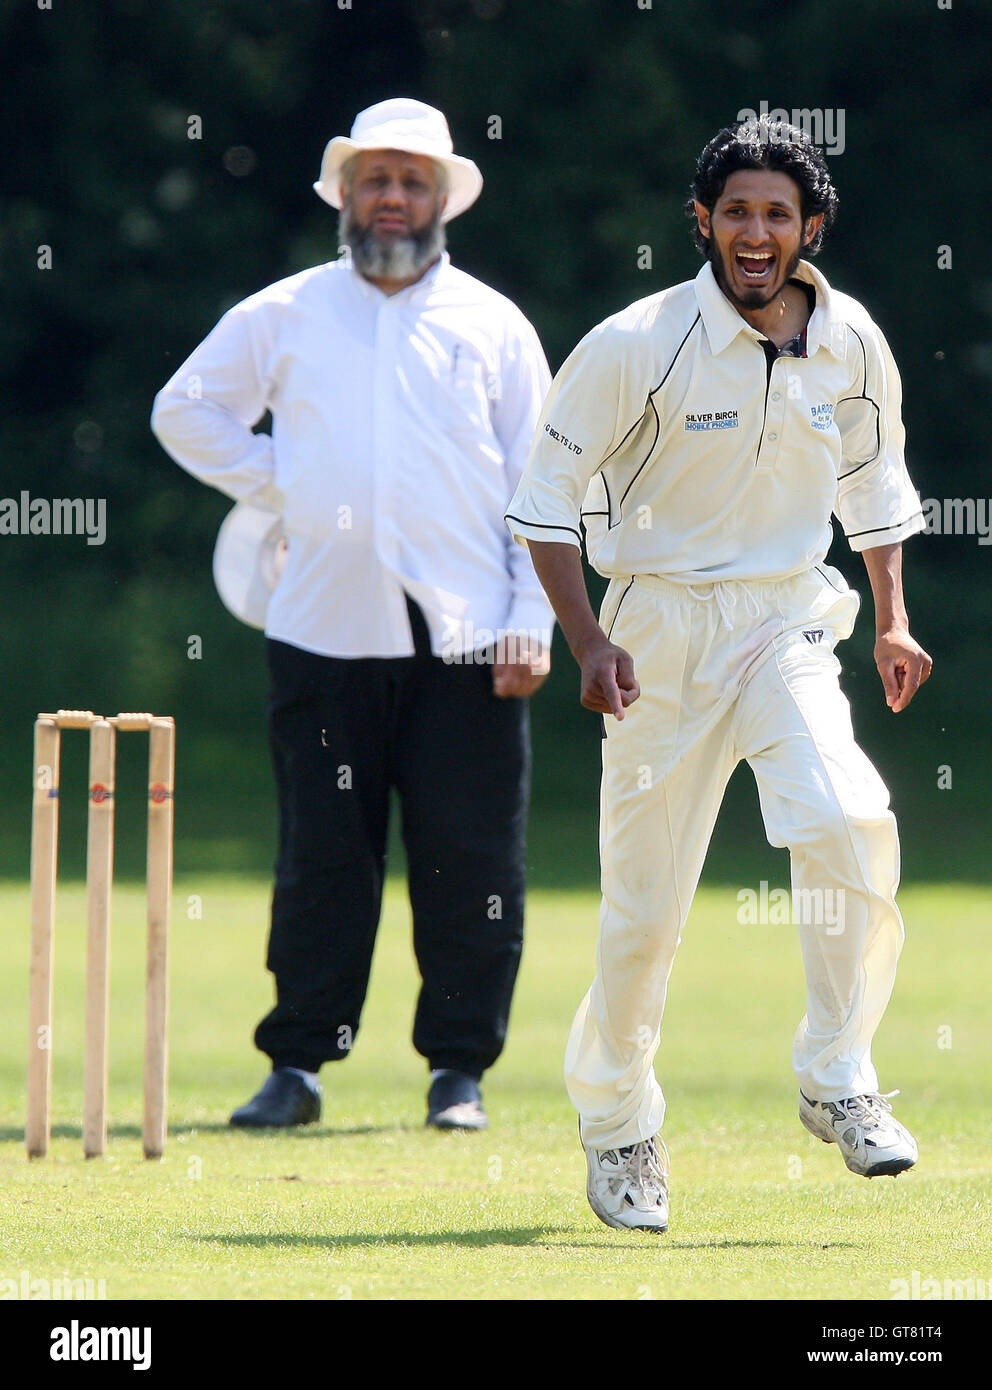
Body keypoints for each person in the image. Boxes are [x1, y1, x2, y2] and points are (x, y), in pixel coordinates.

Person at [505, 117, 931, 1230]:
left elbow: (874, 485)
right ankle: (618, 1128)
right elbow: (543, 504)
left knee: (849, 818)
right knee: (645, 916)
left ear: (809, 228)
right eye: (734, 210)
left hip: (787, 618)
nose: (754, 231)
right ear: (700, 221)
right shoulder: (635, 343)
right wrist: (588, 640)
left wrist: (892, 620)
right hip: (657, 633)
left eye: (776, 213)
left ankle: (836, 1073)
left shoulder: (850, 339)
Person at [152, 98, 553, 1132]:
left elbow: (543, 484)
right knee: (323, 856)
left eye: (413, 181)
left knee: (470, 859)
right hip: (322, 628)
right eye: (376, 178)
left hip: (471, 636)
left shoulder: (494, 324)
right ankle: (296, 1066)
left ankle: (457, 1072)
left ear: (442, 199)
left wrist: (533, 617)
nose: (393, 197)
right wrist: (283, 484)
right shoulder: (284, 311)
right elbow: (182, 410)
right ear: (344, 192)